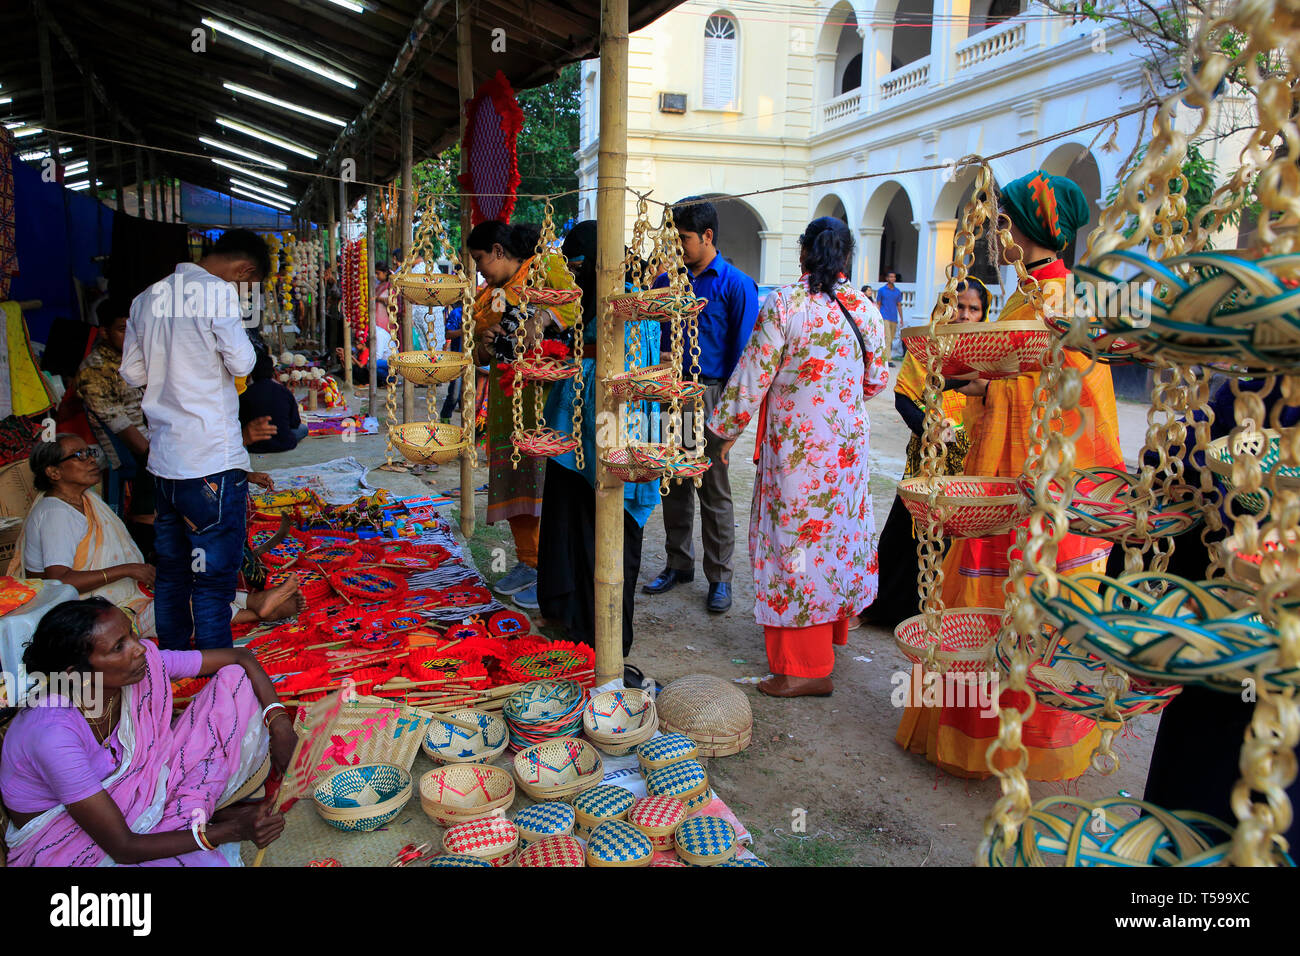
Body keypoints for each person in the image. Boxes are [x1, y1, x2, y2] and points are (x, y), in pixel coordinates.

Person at [896, 170, 1124, 780]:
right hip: (1031, 482)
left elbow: (1065, 391)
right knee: (1019, 614)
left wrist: (986, 387)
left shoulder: (1051, 299)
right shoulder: (1044, 293)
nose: (998, 233)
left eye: (1006, 223)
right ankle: (1002, 737)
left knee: (1009, 607)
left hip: (1024, 489)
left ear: (1028, 230)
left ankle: (1003, 742)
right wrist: (988, 383)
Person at [708, 217, 888, 697]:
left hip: (797, 453)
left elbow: (751, 378)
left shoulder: (787, 304)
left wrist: (722, 433)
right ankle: (828, 638)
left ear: (804, 252)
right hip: (846, 451)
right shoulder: (866, 310)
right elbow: (875, 382)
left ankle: (803, 669)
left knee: (795, 547)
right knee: (836, 543)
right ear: (847, 256)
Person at [0, 599, 291, 866]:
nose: (139, 648)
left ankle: (183, 812)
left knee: (236, 683)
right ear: (76, 674)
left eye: (131, 634)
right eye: (118, 647)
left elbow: (240, 658)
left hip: (142, 790)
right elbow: (123, 847)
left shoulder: (143, 665)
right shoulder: (52, 735)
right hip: (72, 838)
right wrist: (228, 832)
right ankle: (195, 815)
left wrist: (279, 725)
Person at [120, 228, 267, 651]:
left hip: (165, 461)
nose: (245, 296)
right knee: (212, 581)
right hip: (209, 462)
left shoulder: (146, 297)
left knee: (172, 573)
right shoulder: (216, 294)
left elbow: (132, 373)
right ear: (245, 270)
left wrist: (172, 373)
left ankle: (173, 667)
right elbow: (242, 360)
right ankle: (213, 680)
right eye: (249, 288)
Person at [8, 436, 305, 636]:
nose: (90, 460)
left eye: (90, 453)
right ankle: (257, 612)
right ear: (54, 472)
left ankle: (254, 603)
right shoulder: (55, 514)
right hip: (78, 611)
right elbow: (60, 581)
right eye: (79, 456)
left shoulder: (84, 500)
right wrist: (129, 569)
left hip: (114, 591)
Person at [536, 221, 662, 684]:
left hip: (606, 433)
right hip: (575, 434)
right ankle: (572, 620)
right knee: (571, 529)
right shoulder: (587, 299)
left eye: (576, 264)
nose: (571, 273)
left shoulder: (628, 301)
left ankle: (603, 637)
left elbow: (626, 375)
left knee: (604, 534)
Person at [645, 197, 759, 613]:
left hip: (712, 393)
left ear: (708, 237)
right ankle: (679, 564)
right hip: (669, 393)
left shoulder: (735, 284)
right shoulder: (664, 284)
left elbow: (744, 358)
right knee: (673, 482)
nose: (677, 246)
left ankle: (720, 578)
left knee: (714, 490)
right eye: (673, 239)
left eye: (684, 239)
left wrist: (731, 418)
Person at [858, 277, 990, 629]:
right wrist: (929, 429)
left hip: (972, 458)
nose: (963, 314)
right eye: (958, 306)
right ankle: (886, 609)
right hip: (926, 458)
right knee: (907, 531)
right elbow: (904, 397)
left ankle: (944, 611)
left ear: (983, 314)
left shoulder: (990, 356)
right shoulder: (928, 347)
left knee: (956, 533)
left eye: (973, 309)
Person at [468, 220, 579, 612]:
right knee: (515, 479)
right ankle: (528, 561)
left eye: (481, 259)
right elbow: (479, 354)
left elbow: (575, 302)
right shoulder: (488, 298)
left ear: (499, 250)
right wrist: (484, 343)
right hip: (506, 402)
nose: (479, 268)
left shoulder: (546, 268)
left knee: (547, 484)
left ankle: (551, 568)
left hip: (547, 398)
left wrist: (541, 318)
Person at [76, 300, 154, 548]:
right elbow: (122, 428)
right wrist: (160, 455)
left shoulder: (135, 359)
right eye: (122, 329)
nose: (131, 336)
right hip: (130, 452)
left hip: (154, 440)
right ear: (104, 332)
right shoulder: (95, 370)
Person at [239, 354, 307, 453]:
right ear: (273, 372)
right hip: (284, 443)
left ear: (252, 373)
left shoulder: (245, 394)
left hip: (255, 444)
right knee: (303, 429)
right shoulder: (284, 392)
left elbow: (241, 424)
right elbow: (295, 422)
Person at [439, 301, 465, 422]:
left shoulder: (480, 313)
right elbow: (448, 334)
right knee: (454, 393)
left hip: (476, 361)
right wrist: (463, 331)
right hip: (458, 360)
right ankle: (445, 416)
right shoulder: (456, 313)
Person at [875, 271, 904, 362]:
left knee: (890, 338)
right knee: (887, 337)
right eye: (890, 277)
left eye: (894, 277)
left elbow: (899, 305)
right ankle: (888, 359)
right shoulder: (882, 290)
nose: (892, 278)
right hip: (884, 316)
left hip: (894, 317)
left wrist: (901, 319)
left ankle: (883, 356)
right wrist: (877, 317)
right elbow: (878, 304)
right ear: (887, 278)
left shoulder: (897, 291)